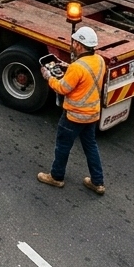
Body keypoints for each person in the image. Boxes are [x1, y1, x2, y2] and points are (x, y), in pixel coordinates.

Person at [36, 26, 106, 195]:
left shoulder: (77, 67)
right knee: (91, 147)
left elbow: (62, 88)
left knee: (63, 147)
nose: (72, 44)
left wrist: (48, 76)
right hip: (92, 115)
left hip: (74, 116)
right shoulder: (99, 60)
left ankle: (56, 177)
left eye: (74, 42)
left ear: (81, 46)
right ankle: (98, 182)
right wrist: (67, 66)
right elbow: (86, 75)